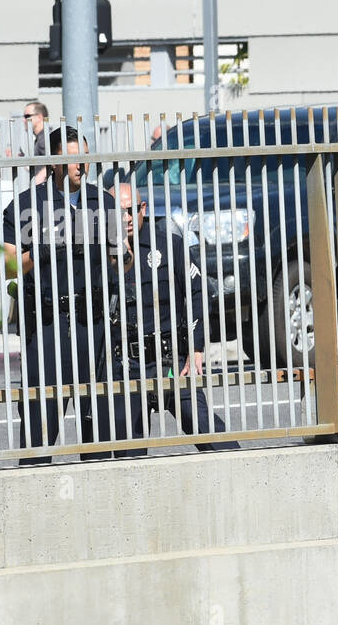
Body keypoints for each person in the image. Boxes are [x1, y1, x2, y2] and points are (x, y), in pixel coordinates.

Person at [92, 178, 238, 456]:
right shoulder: (100, 255)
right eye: (117, 212)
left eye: (131, 209)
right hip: (128, 366)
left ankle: (244, 473)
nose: (125, 218)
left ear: (143, 208)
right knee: (128, 453)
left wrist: (195, 348)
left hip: (171, 360)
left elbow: (198, 293)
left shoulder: (169, 245)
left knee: (210, 434)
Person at [2, 124, 115, 461]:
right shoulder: (27, 205)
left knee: (97, 423)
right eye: (71, 159)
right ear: (53, 163)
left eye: (84, 157)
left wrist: (121, 252)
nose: (81, 165)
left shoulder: (102, 201)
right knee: (40, 423)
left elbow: (119, 263)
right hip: (47, 323)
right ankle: (34, 481)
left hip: (92, 323)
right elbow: (4, 267)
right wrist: (42, 248)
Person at [6, 101, 49, 189]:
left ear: (39, 117)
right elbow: (38, 167)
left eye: (27, 116)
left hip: (48, 193)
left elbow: (57, 161)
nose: (24, 120)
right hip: (43, 191)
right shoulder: (40, 138)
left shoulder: (45, 138)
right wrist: (20, 159)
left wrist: (40, 176)